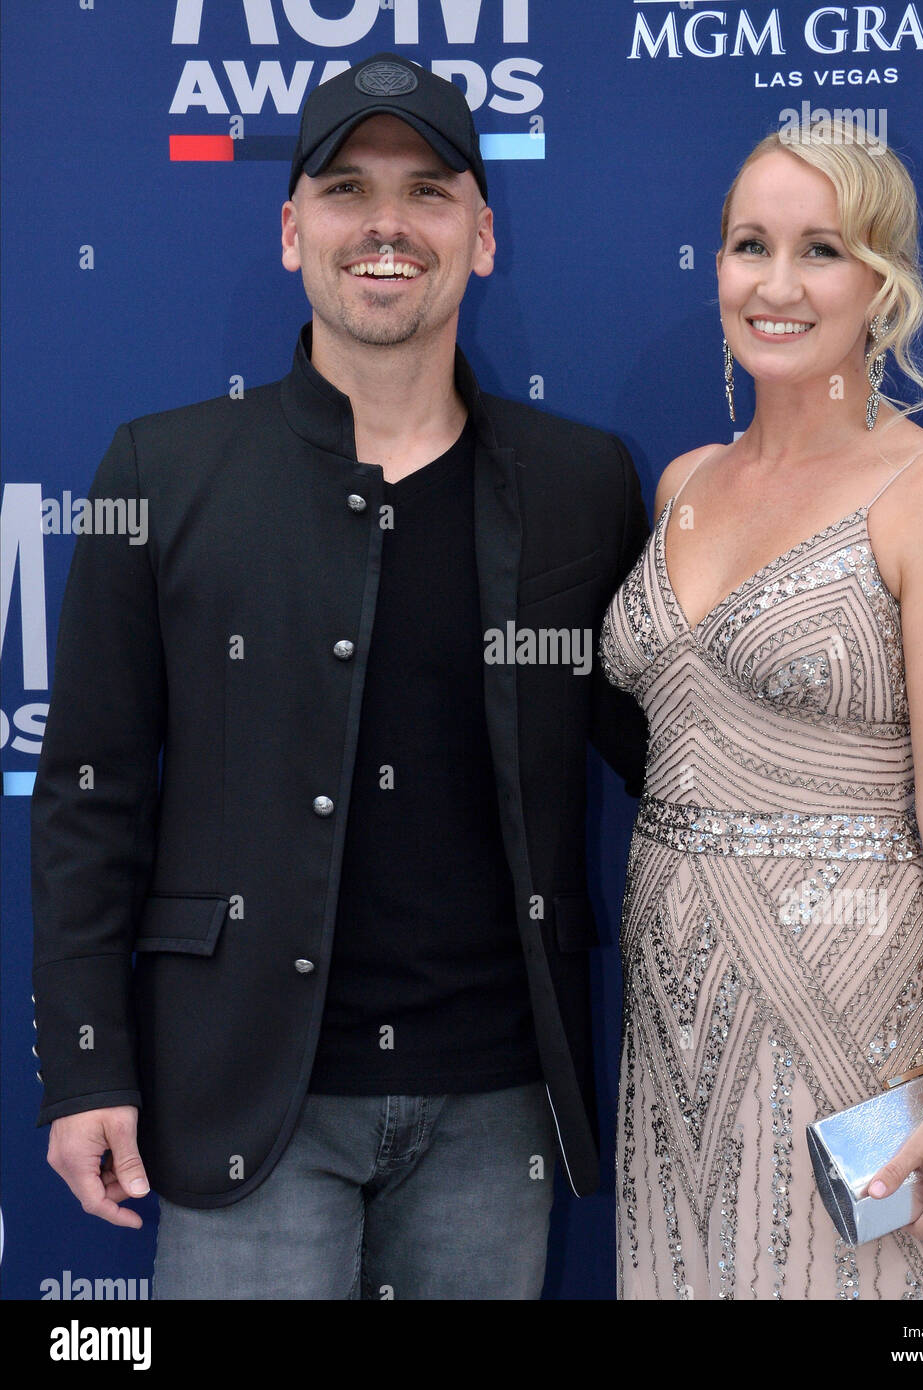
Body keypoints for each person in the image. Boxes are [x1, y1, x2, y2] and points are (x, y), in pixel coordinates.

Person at [31, 52, 650, 1300]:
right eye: (346, 189)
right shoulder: (160, 471)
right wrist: (89, 1069)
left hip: (498, 1103)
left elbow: (670, 758)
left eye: (427, 192)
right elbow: (90, 795)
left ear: (481, 236)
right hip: (244, 1095)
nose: (384, 224)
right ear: (289, 229)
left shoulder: (581, 482)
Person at [600, 120, 923, 1300]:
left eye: (819, 251)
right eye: (749, 245)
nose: (774, 285)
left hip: (847, 1015)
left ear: (879, 284)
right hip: (672, 1002)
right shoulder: (683, 483)